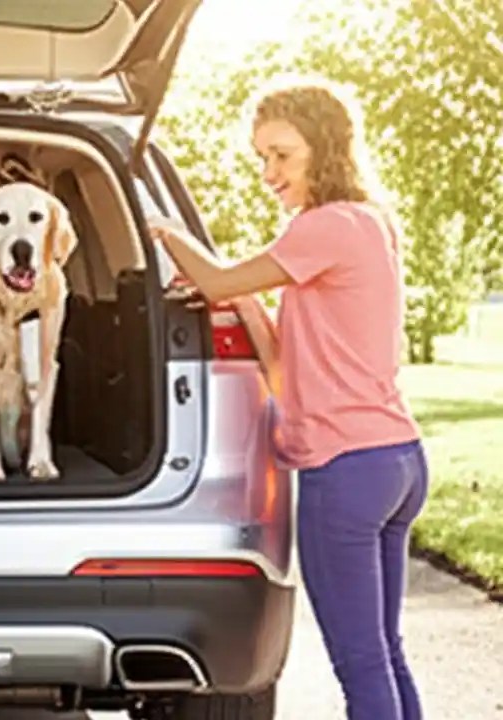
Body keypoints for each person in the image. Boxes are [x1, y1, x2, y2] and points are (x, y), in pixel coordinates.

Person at [149, 77, 426, 720]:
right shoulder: (367, 224)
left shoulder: (321, 227)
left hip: (347, 471)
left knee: (361, 666)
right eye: (261, 158)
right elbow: (283, 372)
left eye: (281, 154)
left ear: (322, 148)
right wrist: (244, 302)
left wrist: (164, 231)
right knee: (384, 652)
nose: (269, 172)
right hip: (397, 460)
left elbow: (214, 274)